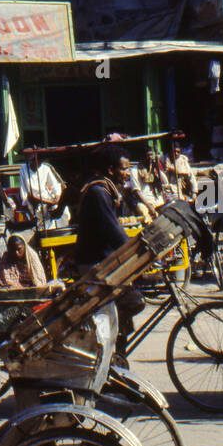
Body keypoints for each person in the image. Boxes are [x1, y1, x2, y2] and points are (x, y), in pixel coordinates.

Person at [74, 145, 142, 357]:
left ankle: (117, 351)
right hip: (94, 264)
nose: (128, 172)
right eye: (124, 168)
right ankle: (110, 350)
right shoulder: (98, 193)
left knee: (127, 301)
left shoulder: (108, 191)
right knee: (133, 301)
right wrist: (140, 251)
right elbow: (115, 233)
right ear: (111, 169)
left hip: (105, 260)